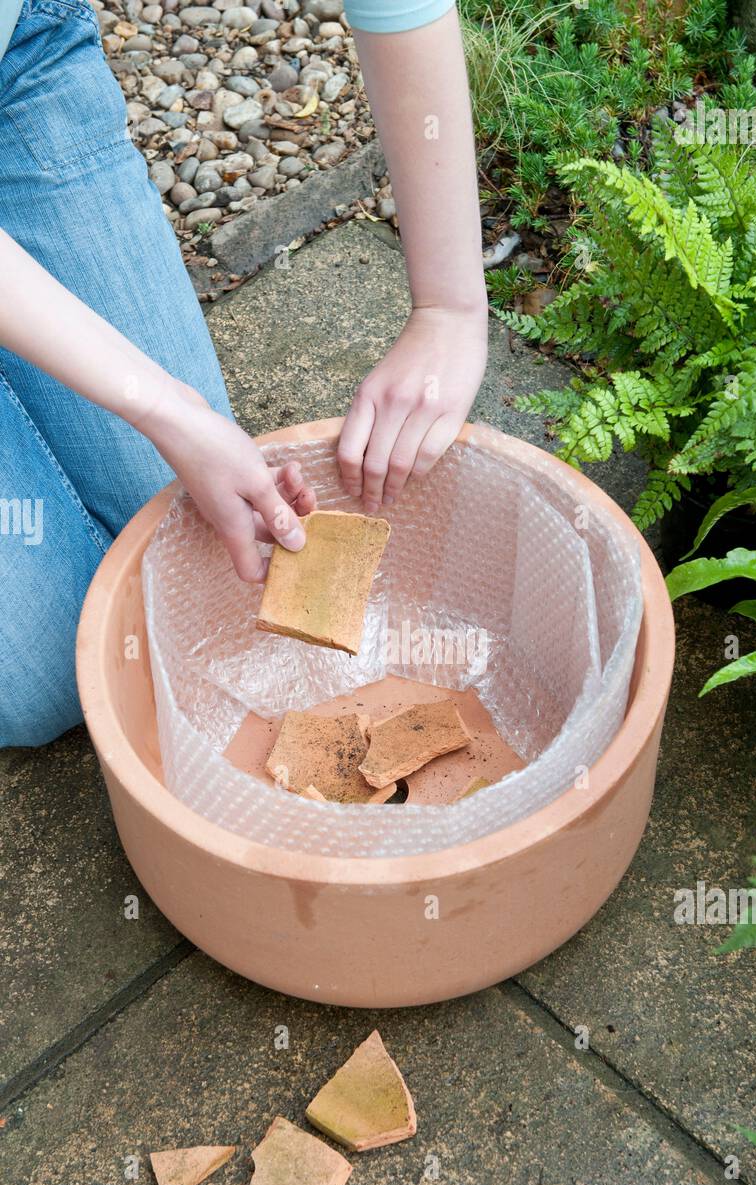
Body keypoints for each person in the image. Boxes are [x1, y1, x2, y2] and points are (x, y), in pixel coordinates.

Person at [0, 0, 488, 746]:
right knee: (48, 682)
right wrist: (165, 406)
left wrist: (450, 310)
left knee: (181, 530)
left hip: (18, 54)